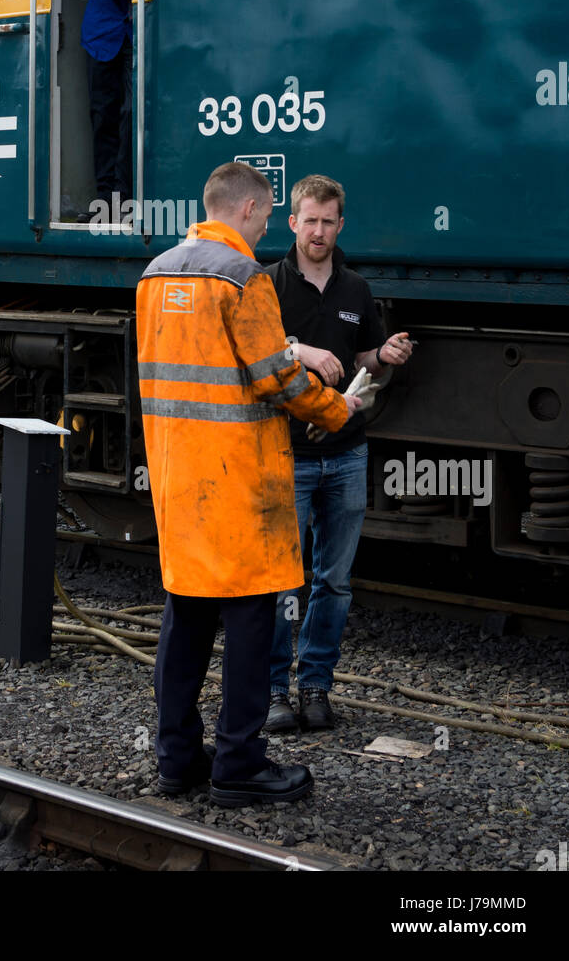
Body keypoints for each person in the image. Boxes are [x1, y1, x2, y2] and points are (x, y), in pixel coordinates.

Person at [136, 161, 362, 806]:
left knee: (184, 619)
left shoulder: (154, 275)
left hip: (179, 481)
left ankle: (177, 760)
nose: (267, 227)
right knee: (249, 620)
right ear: (248, 210)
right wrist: (337, 408)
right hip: (241, 484)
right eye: (266, 216)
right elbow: (277, 377)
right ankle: (240, 764)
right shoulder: (245, 277)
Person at [263, 174, 414, 734]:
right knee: (283, 579)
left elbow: (365, 359)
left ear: (340, 224)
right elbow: (247, 349)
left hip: (347, 453)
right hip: (289, 453)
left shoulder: (355, 289)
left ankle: (316, 686)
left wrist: (387, 353)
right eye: (310, 220)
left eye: (328, 221)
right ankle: (274, 689)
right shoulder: (267, 286)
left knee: (334, 581)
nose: (319, 230)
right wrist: (300, 349)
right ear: (293, 222)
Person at [69, 0, 147, 219]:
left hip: (141, 30)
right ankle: (107, 202)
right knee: (103, 117)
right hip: (102, 36)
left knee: (133, 113)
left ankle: (128, 198)